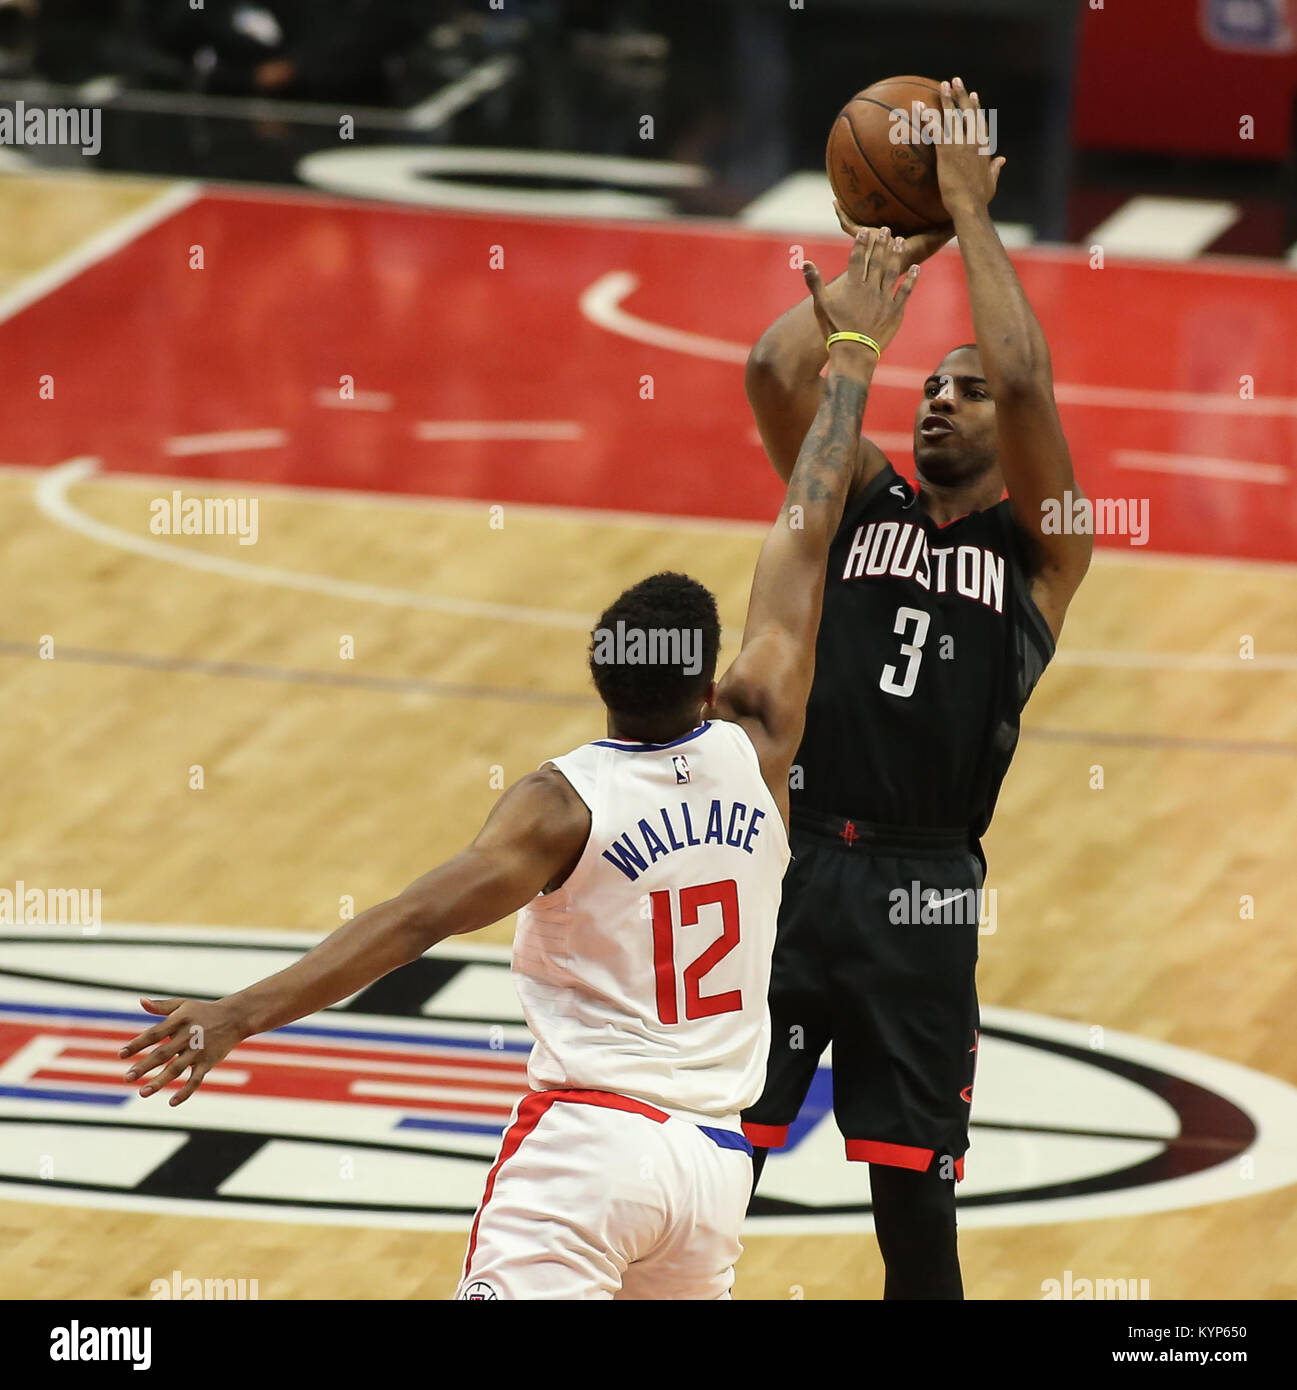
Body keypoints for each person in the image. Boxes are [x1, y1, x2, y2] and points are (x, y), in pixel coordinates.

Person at [119, 230, 922, 1300]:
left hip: (587, 1157)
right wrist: (857, 357)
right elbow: (807, 524)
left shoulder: (559, 806)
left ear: (602, 682)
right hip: (713, 1169)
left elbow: (407, 924)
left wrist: (238, 1013)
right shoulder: (759, 739)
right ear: (704, 685)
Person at [740, 78, 1093, 1299]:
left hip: (925, 891)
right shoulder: (860, 497)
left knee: (916, 1232)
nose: (941, 393)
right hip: (790, 864)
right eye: (929, 385)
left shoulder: (1043, 552)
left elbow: (1031, 377)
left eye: (966, 387)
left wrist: (970, 212)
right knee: (703, 1175)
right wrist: (874, 277)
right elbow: (769, 374)